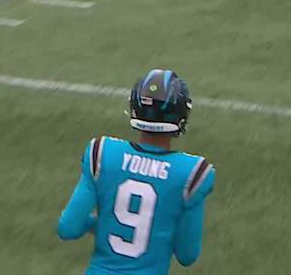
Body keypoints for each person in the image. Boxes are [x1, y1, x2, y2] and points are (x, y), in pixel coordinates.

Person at [57, 69, 216, 271]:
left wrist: (104, 225)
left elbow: (68, 228)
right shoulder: (192, 172)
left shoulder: (103, 153)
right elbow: (187, 255)